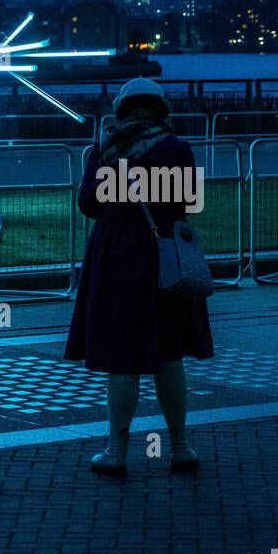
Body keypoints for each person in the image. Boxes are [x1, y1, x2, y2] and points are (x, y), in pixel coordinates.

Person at [64, 77, 213, 475]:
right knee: (169, 356)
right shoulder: (178, 148)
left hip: (118, 256)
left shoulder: (107, 147)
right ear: (162, 108)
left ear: (122, 108)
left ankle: (116, 451)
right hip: (168, 257)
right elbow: (191, 203)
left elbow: (89, 204)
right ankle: (180, 447)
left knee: (122, 359)